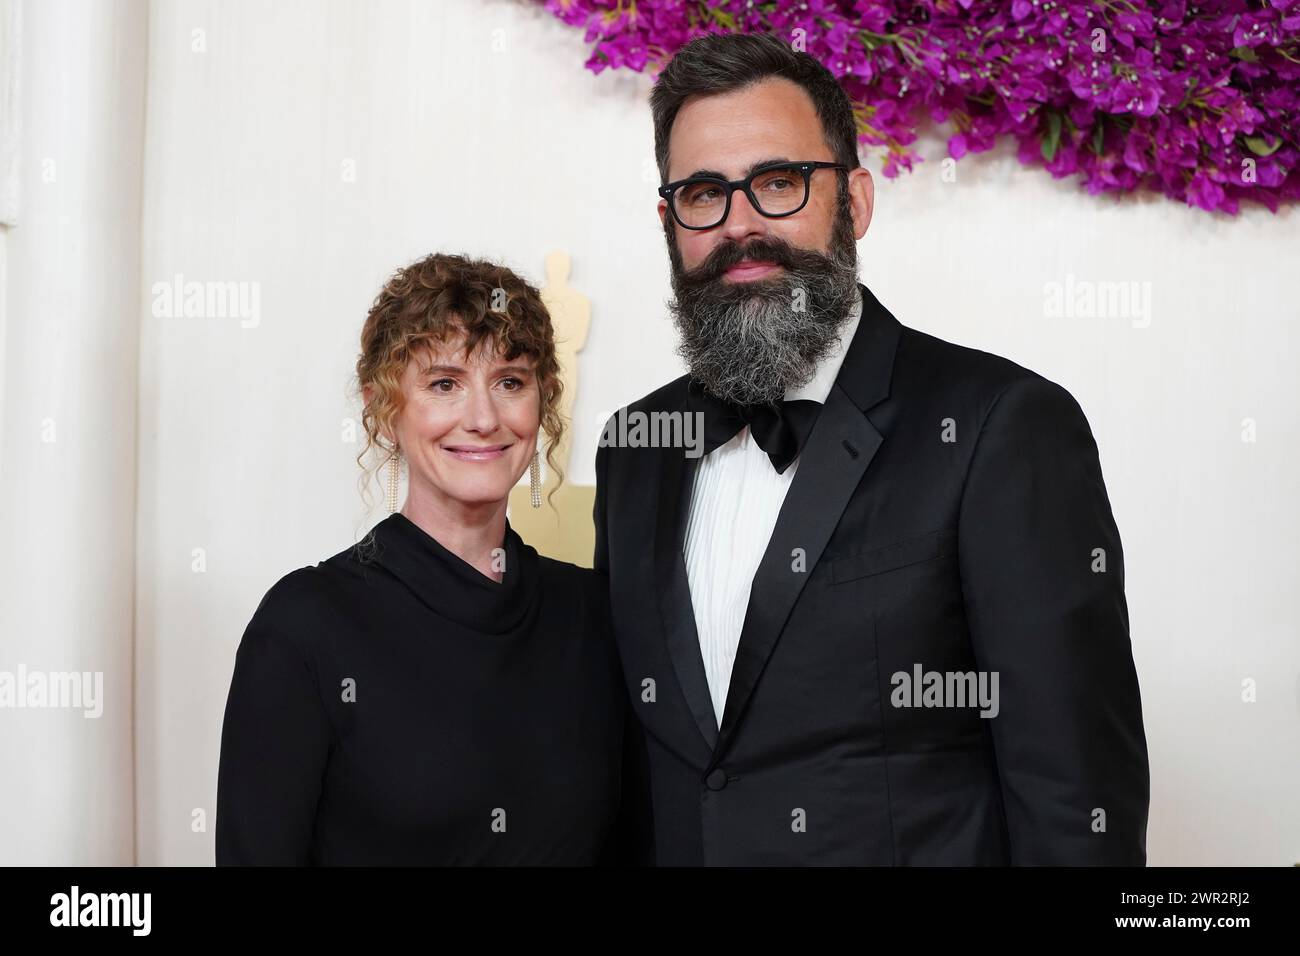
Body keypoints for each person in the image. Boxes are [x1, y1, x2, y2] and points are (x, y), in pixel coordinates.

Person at [593, 33, 1150, 865]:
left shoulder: (1005, 427)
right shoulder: (633, 446)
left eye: (778, 183)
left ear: (854, 202)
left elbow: (1075, 802)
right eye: (705, 194)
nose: (740, 225)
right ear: (670, 220)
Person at [217, 253, 647, 865]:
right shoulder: (305, 625)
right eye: (444, 384)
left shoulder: (595, 616)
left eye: (510, 382)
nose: (483, 418)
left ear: (543, 401)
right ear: (383, 407)